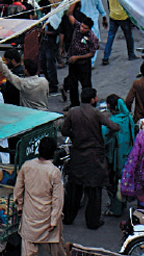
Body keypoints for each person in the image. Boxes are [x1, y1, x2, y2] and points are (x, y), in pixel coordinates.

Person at [61, 88, 120, 229]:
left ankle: (68, 217)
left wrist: (75, 136)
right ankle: (92, 222)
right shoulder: (96, 113)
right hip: (94, 157)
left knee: (74, 188)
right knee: (94, 191)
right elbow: (114, 126)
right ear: (93, 99)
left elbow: (64, 130)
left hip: (77, 155)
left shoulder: (73, 112)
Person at [12, 136, 66, 256]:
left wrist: (20, 208)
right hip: (47, 219)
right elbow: (58, 200)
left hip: (30, 218)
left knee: (28, 251)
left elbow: (18, 190)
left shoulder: (27, 166)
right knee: (56, 250)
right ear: (53, 152)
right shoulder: (54, 172)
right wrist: (53, 221)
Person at [104, 94, 135, 217]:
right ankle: (122, 203)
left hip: (116, 157)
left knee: (113, 183)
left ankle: (115, 209)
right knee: (122, 181)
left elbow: (105, 138)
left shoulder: (113, 121)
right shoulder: (128, 118)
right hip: (128, 154)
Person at [64, 2, 99, 109]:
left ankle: (89, 105)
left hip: (83, 64)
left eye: (85, 28)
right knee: (73, 85)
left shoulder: (92, 38)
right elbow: (69, 14)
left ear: (89, 29)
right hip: (73, 63)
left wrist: (77, 58)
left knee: (86, 85)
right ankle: (74, 104)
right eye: (82, 26)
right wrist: (73, 2)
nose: (82, 29)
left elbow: (91, 54)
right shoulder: (77, 27)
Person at [102, 0, 137, 65]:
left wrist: (111, 11)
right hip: (123, 16)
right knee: (128, 36)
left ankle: (106, 57)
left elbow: (108, 2)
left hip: (113, 15)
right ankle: (131, 54)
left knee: (110, 37)